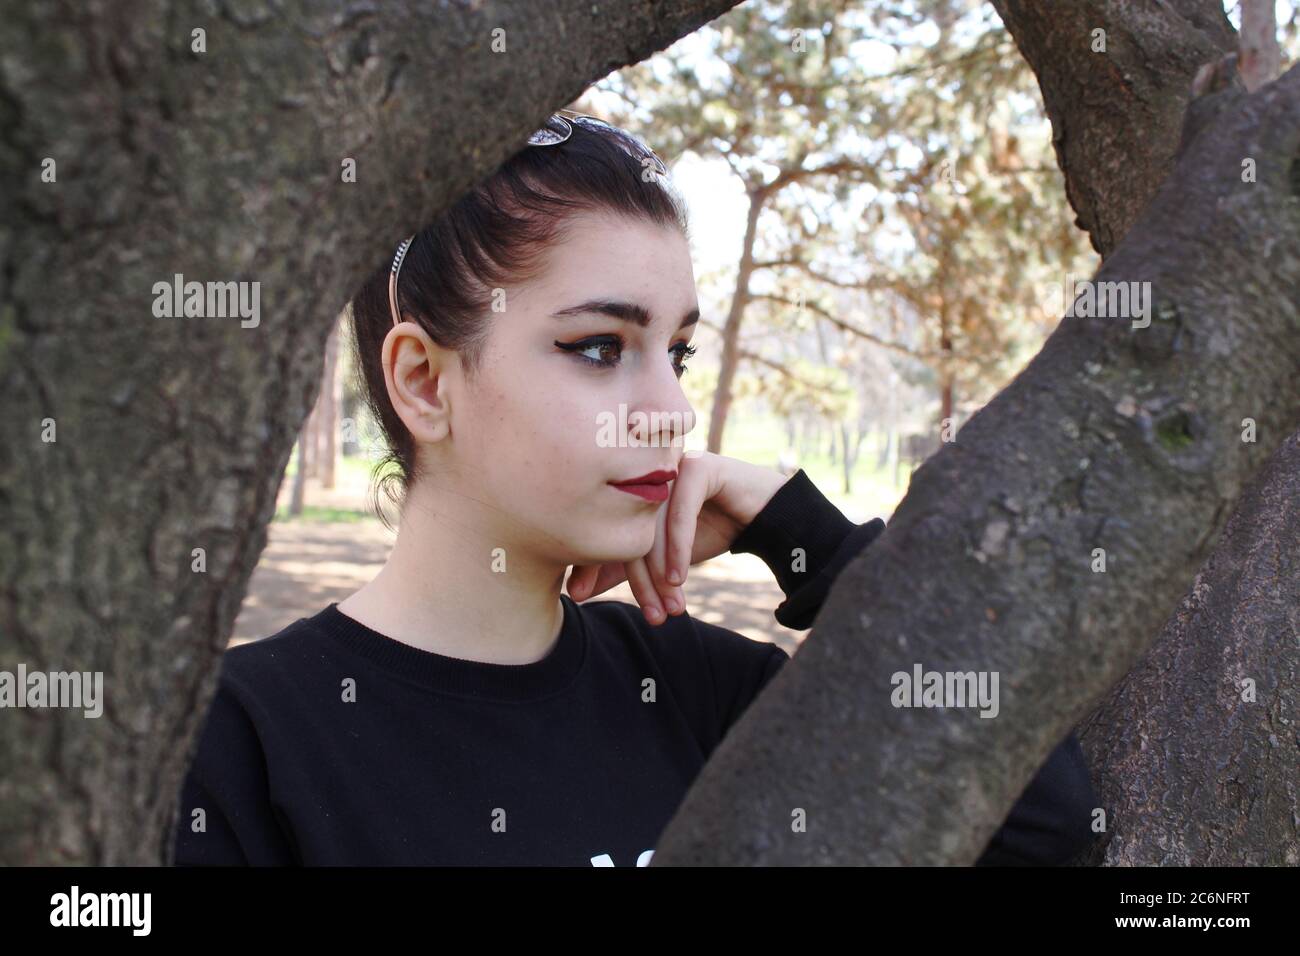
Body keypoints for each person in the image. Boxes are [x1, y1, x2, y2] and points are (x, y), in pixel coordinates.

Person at [171, 111, 1098, 866]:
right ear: (423, 381)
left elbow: (1038, 822)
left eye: (678, 352)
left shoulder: (694, 691)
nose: (671, 412)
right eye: (599, 347)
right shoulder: (237, 745)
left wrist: (804, 533)